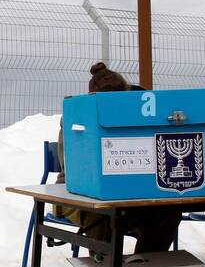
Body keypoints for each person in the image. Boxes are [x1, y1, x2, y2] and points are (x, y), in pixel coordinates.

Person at [55, 61, 182, 254]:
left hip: (134, 195)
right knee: (102, 213)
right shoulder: (78, 118)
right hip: (80, 195)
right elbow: (76, 171)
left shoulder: (142, 115)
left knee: (167, 213)